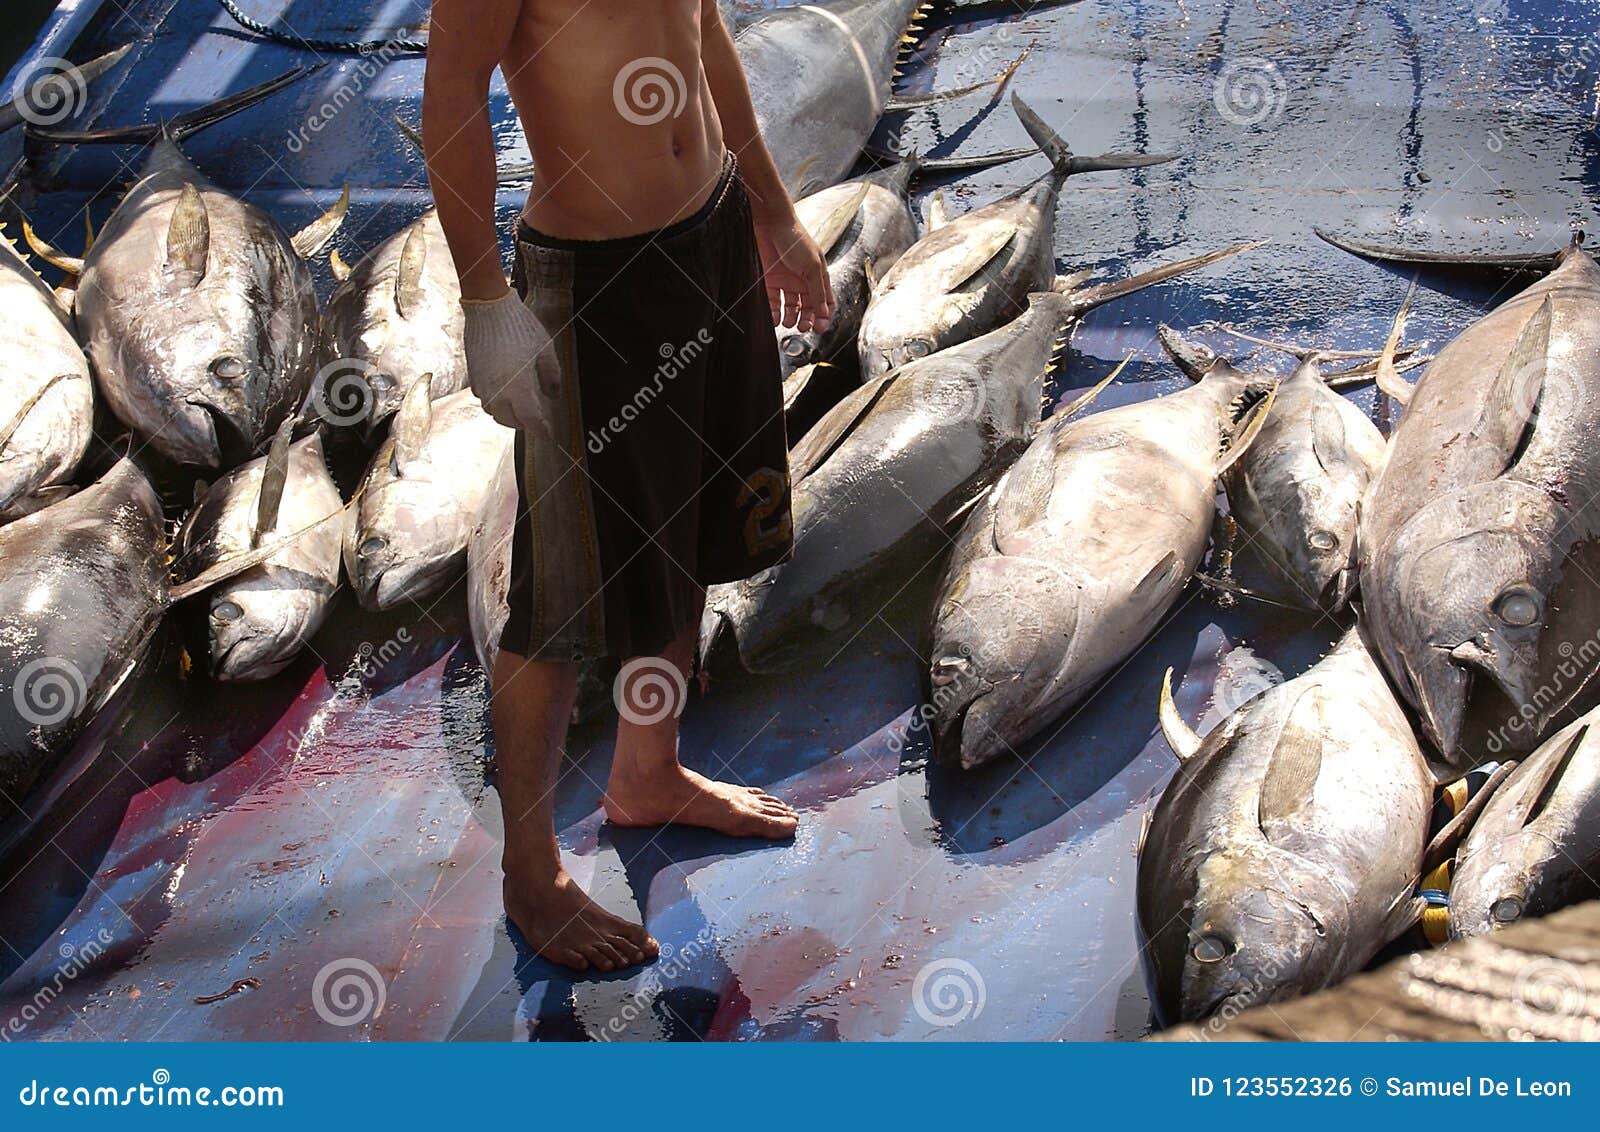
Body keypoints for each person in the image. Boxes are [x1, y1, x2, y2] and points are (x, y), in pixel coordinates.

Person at [422, 0, 834, 972]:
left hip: (713, 229)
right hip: (593, 281)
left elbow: (703, 34)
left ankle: (648, 769)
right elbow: (452, 107)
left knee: (694, 519)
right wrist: (488, 300)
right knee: (558, 592)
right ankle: (531, 872)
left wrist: (768, 206)